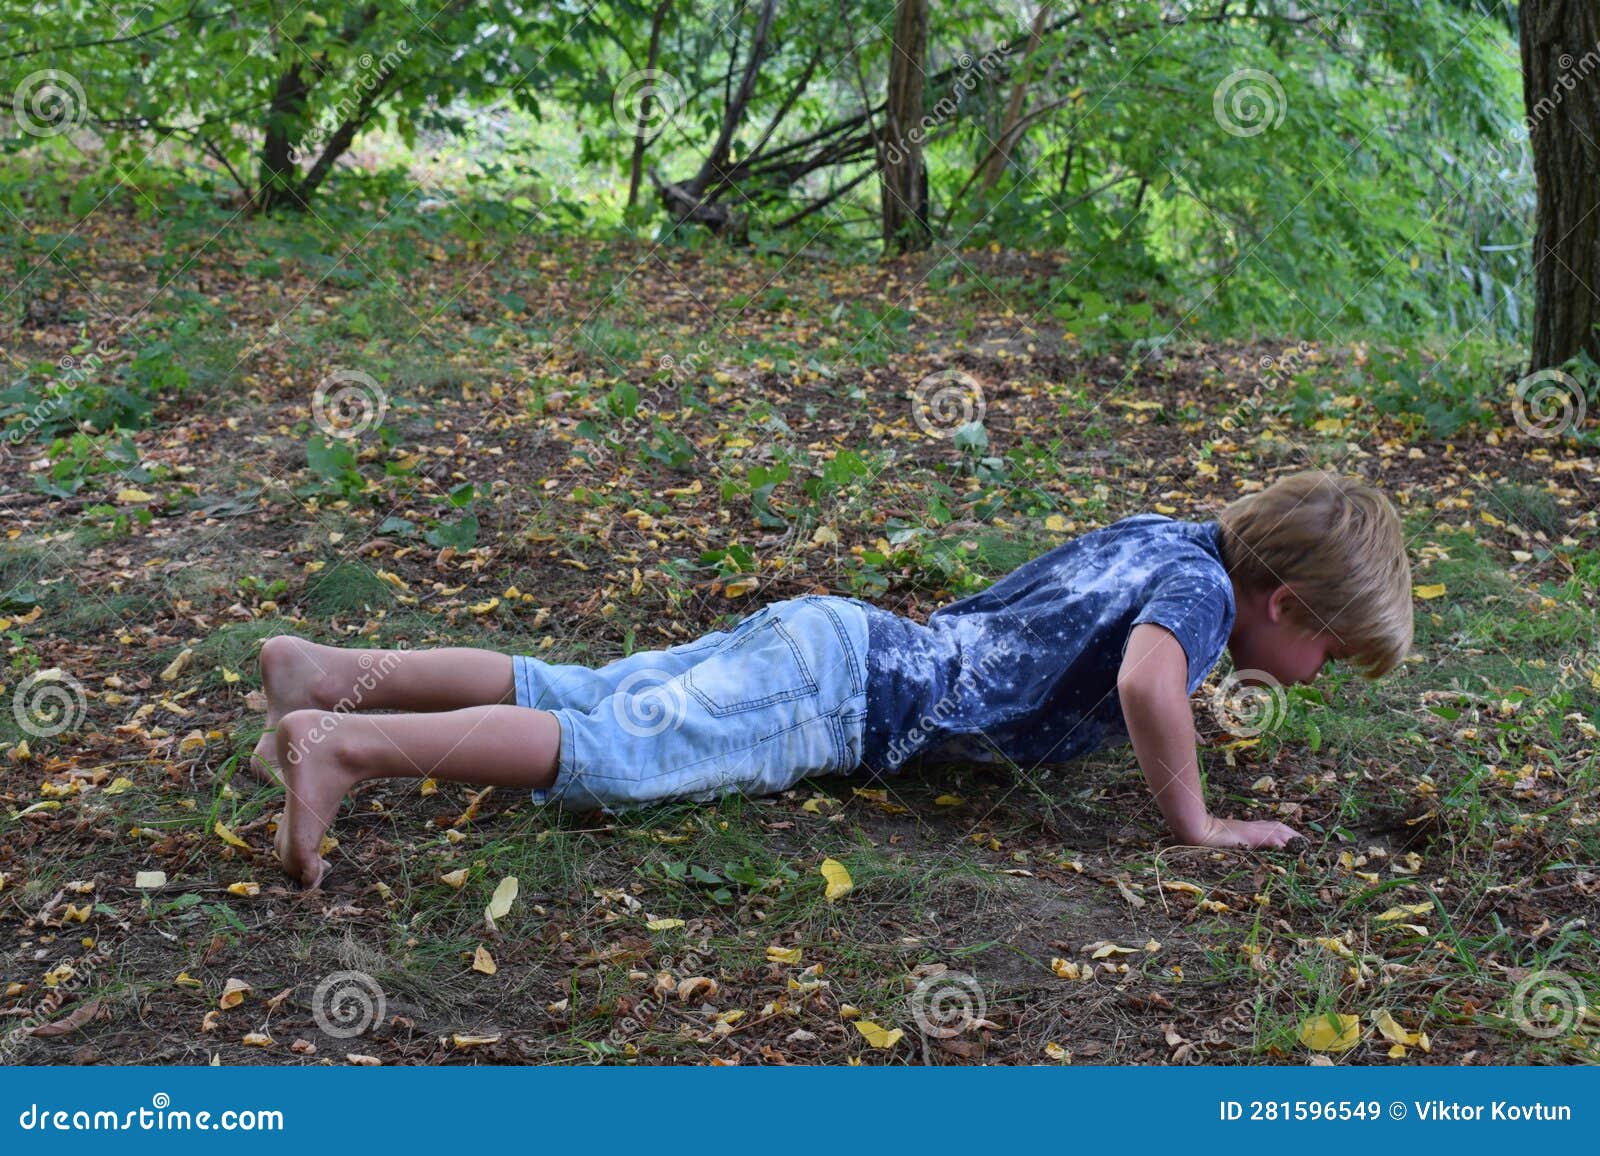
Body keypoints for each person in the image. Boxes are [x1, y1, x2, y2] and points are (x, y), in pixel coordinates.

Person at [254, 469, 1412, 887]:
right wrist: (1195, 822)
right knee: (617, 752)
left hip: (838, 637)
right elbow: (1152, 687)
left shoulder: (1166, 538)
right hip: (841, 696)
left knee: (581, 686)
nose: (1313, 678)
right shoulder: (1204, 604)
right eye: (1327, 656)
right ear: (1286, 605)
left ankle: (332, 673)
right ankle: (346, 745)